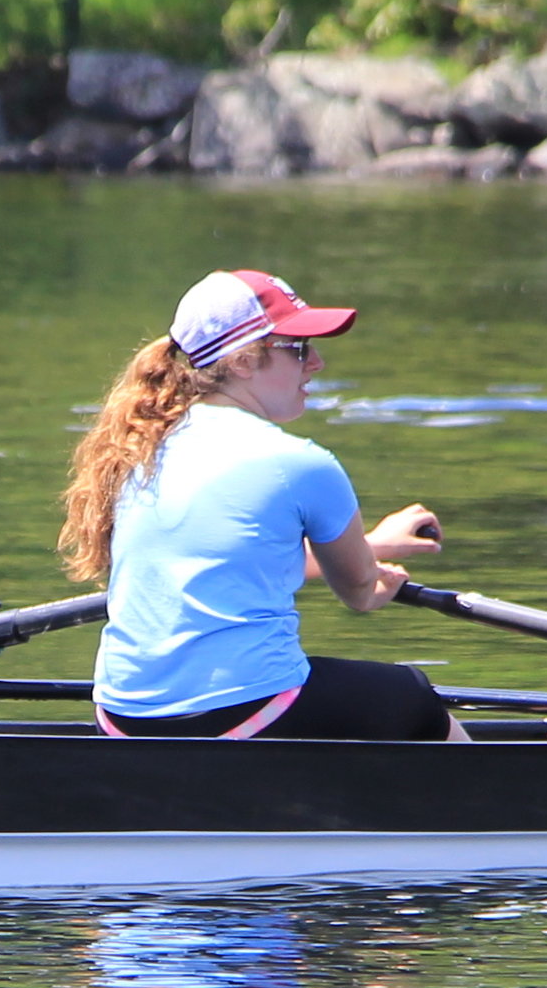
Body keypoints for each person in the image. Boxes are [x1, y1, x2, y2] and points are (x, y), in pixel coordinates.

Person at [61, 268, 469, 742]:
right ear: (242, 362)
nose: (315, 362)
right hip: (246, 712)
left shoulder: (136, 448)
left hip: (121, 717)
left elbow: (231, 562)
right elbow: (359, 592)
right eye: (297, 348)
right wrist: (367, 569)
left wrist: (373, 543)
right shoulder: (301, 463)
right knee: (412, 695)